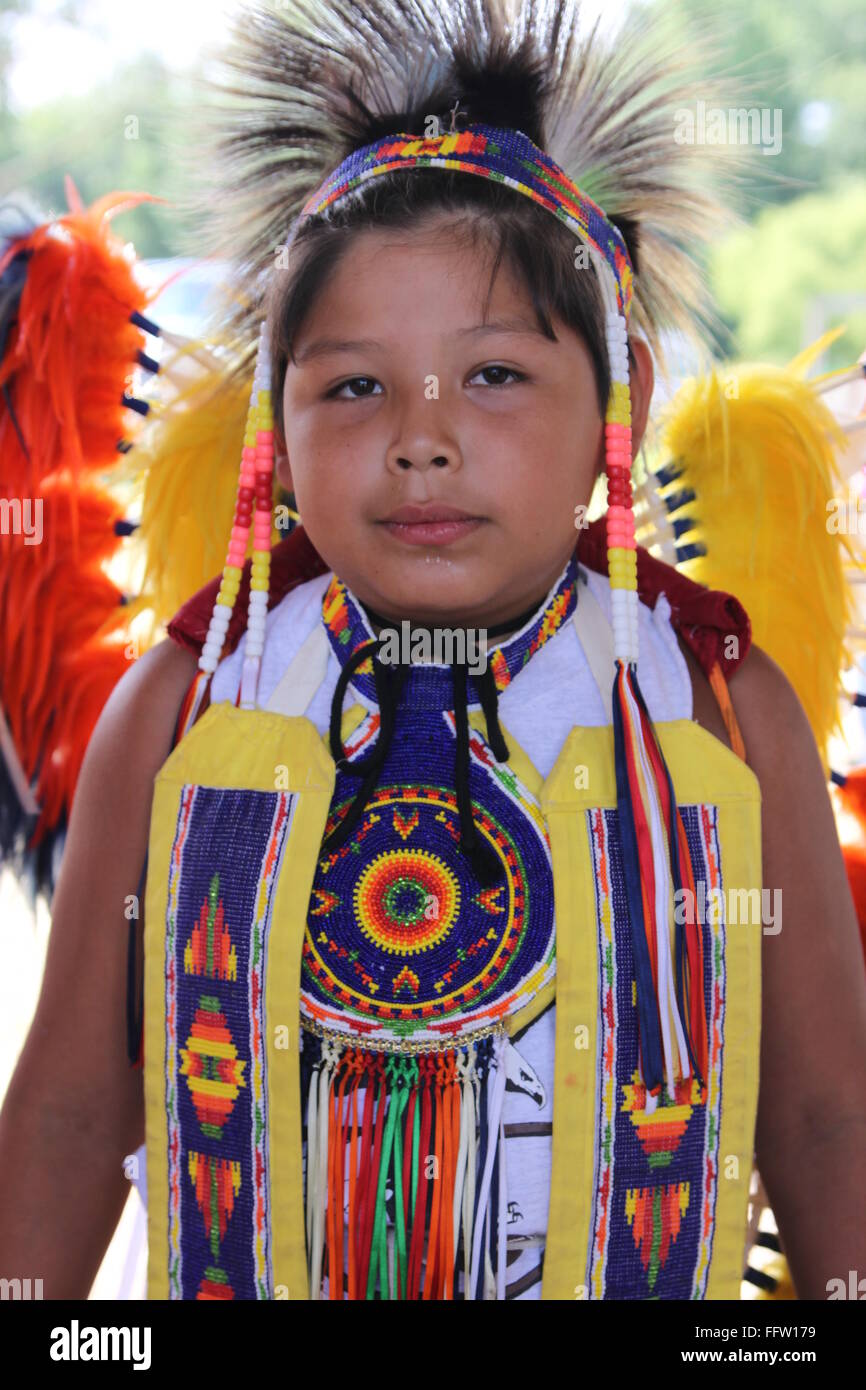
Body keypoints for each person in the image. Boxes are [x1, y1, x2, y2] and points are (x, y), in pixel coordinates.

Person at [1, 0, 865, 1301]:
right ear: (271, 433)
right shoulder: (189, 702)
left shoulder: (721, 710)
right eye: (351, 386)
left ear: (615, 397)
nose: (421, 438)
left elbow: (821, 1117)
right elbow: (71, 1112)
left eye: (496, 375)